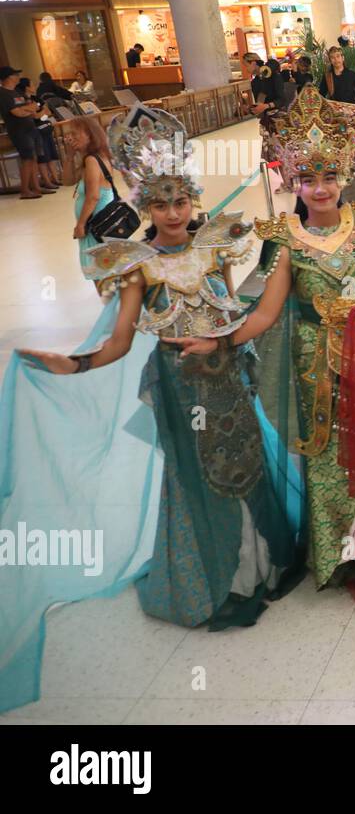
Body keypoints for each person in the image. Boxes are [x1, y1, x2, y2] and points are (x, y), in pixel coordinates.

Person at [4, 105, 303, 711]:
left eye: (181, 201)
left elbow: (236, 311)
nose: (172, 213)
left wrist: (229, 334)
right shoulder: (137, 265)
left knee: (242, 463)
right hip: (177, 384)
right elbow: (119, 341)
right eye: (161, 204)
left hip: (225, 376)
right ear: (147, 206)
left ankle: (259, 564)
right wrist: (75, 364)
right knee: (192, 476)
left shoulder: (218, 245)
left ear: (193, 199)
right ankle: (213, 579)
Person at [168, 87, 355, 613]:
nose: (319, 189)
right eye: (308, 179)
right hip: (313, 363)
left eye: (328, 176)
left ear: (344, 176)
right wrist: (219, 340)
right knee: (325, 456)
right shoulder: (286, 240)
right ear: (293, 182)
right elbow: (267, 314)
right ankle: (341, 549)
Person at [66, 115, 121, 273]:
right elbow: (67, 181)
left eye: (75, 134)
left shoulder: (92, 159)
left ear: (90, 135)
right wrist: (69, 156)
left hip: (95, 224)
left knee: (101, 273)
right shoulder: (88, 158)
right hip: (97, 223)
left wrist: (81, 224)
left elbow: (93, 196)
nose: (71, 137)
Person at [0, 66, 51, 198]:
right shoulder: (3, 94)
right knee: (27, 159)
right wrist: (29, 109)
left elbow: (31, 109)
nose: (18, 77)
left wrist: (28, 109)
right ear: (9, 77)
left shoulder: (17, 92)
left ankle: (36, 187)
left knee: (33, 158)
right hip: (19, 131)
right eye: (15, 75)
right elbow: (17, 112)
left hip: (30, 128)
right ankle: (25, 190)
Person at [13, 77, 59, 189]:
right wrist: (40, 113)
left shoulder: (36, 98)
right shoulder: (21, 99)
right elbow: (34, 115)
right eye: (32, 84)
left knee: (51, 155)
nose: (35, 86)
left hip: (45, 128)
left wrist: (41, 114)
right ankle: (46, 181)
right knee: (42, 157)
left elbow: (47, 112)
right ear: (27, 87)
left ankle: (56, 178)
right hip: (35, 130)